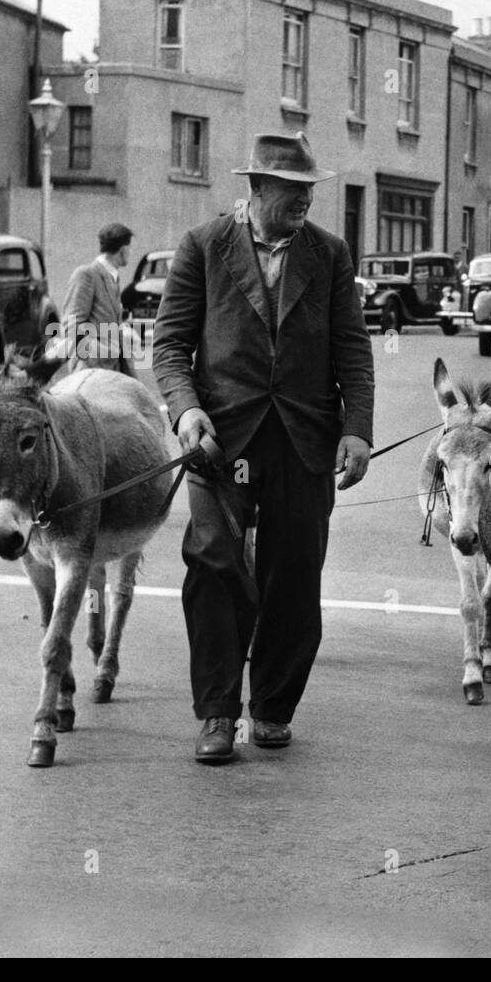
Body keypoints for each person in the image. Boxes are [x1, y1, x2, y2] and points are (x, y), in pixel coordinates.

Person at [152, 131, 375, 764]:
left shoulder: (329, 255)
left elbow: (353, 351)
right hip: (220, 439)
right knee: (214, 566)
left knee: (294, 575)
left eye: (310, 189)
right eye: (293, 189)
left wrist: (356, 428)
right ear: (255, 189)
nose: (305, 199)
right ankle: (218, 714)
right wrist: (187, 410)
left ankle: (273, 708)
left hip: (304, 441)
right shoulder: (202, 246)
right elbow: (169, 347)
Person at [62, 222, 136, 375]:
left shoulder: (113, 277)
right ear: (123, 249)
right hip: (89, 374)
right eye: (129, 247)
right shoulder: (87, 274)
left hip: (113, 373)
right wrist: (106, 353)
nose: (130, 252)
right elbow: (72, 327)